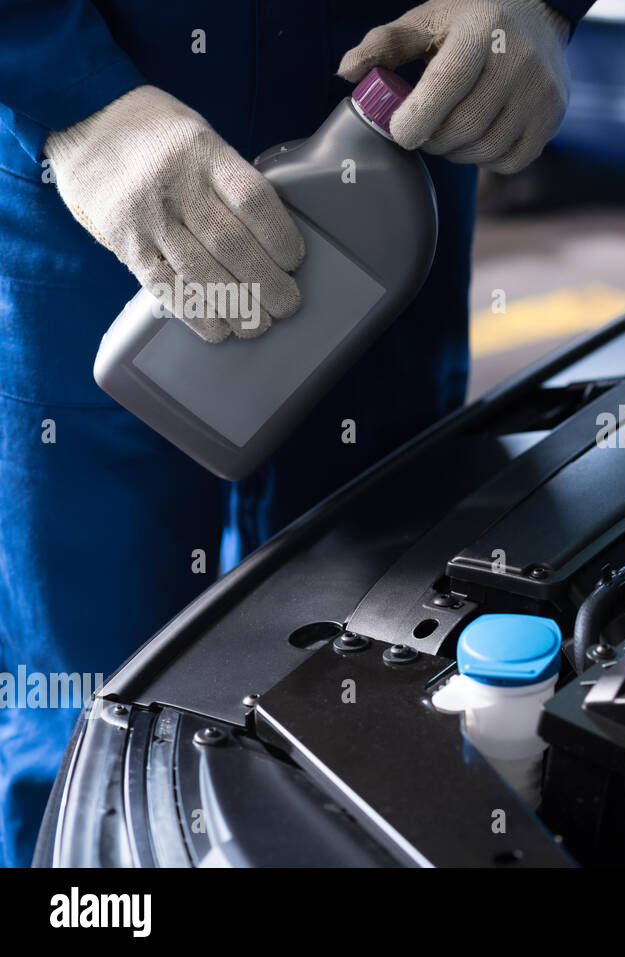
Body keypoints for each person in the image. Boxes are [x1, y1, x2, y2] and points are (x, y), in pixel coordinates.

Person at [0, 0, 592, 867]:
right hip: (102, 160)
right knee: (87, 722)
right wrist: (72, 91)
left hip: (396, 148)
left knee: (374, 667)